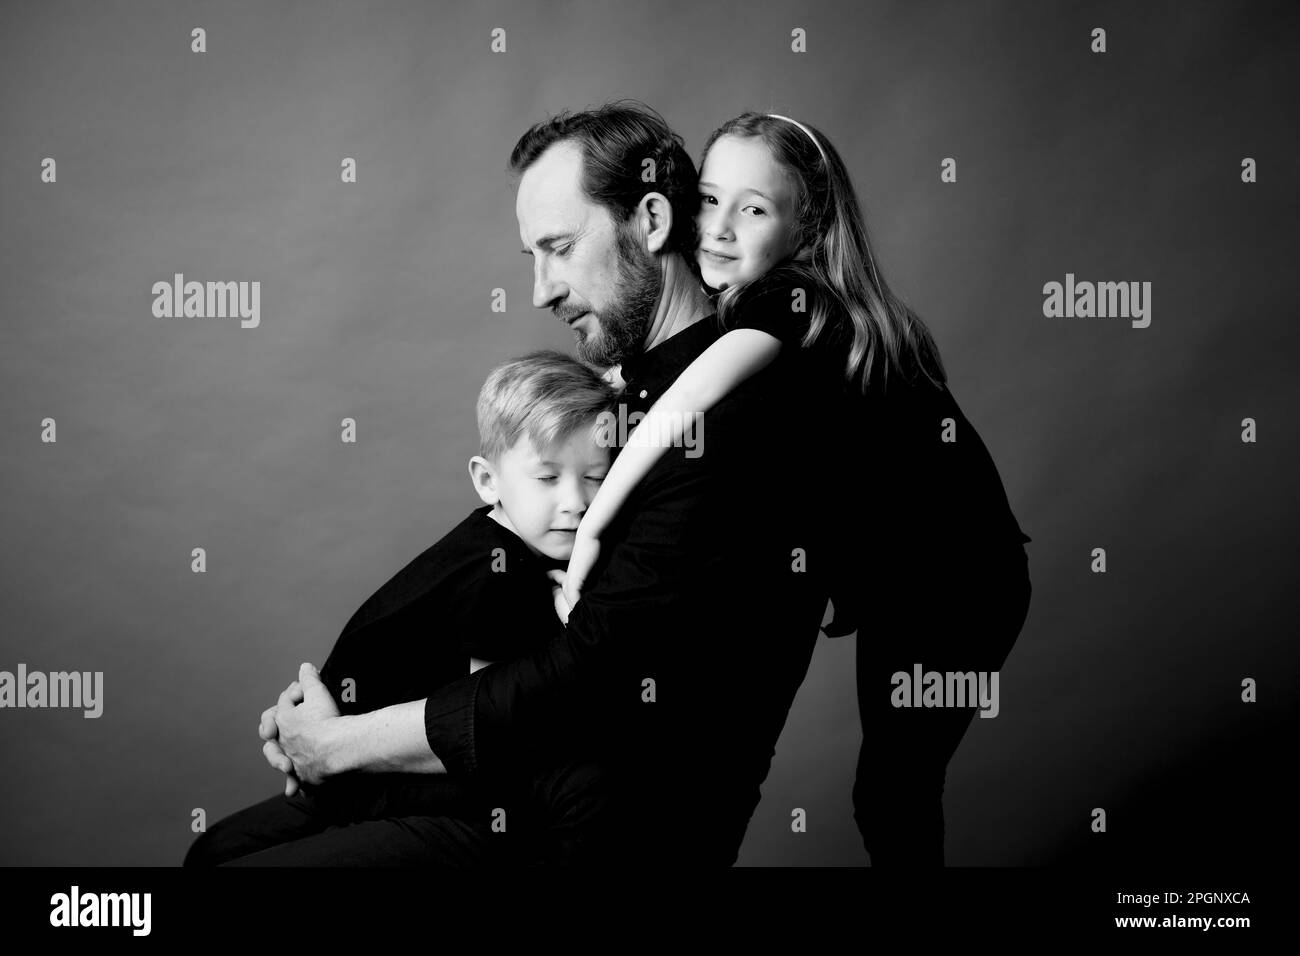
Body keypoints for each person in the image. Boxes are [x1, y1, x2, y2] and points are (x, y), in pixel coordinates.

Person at [258, 100, 842, 866]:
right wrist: (346, 701)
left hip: (601, 829)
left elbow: (589, 675)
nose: (540, 290)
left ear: (654, 221)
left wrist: (343, 745)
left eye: (559, 248)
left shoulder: (727, 421)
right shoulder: (625, 396)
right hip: (514, 778)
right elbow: (496, 581)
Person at [562, 111, 1033, 865]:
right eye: (709, 200)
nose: (716, 227)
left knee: (891, 790)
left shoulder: (795, 297)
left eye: (753, 209)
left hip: (960, 582)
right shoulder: (780, 309)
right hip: (908, 580)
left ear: (805, 226)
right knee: (891, 791)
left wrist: (590, 528)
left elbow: (692, 394)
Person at [184, 351, 616, 865]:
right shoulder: (504, 576)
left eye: (596, 476)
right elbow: (495, 733)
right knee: (214, 852)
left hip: (354, 762)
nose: (577, 500)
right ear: (486, 480)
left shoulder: (490, 538)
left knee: (214, 853)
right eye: (547, 478)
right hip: (374, 776)